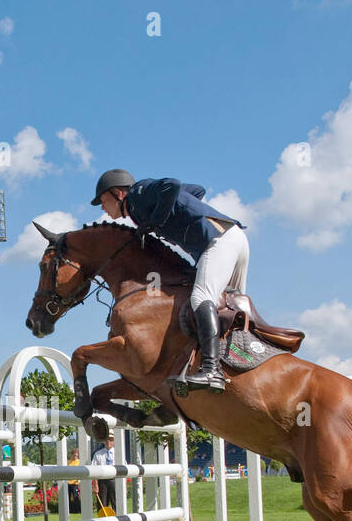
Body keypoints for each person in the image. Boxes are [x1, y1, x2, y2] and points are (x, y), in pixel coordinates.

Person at [91, 168, 248, 393]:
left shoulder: (137, 194)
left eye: (102, 200)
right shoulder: (140, 205)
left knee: (201, 298)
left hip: (218, 241)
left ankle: (212, 369)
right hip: (234, 237)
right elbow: (197, 190)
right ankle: (240, 358)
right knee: (231, 305)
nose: (103, 207)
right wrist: (182, 208)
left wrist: (155, 221)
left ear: (118, 193)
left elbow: (171, 184)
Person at [91, 433, 117, 512]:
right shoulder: (98, 454)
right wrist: (95, 485)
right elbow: (94, 471)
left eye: (111, 440)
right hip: (102, 482)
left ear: (114, 441)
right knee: (102, 505)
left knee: (116, 504)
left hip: (114, 481)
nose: (108, 441)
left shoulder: (119, 453)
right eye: (107, 439)